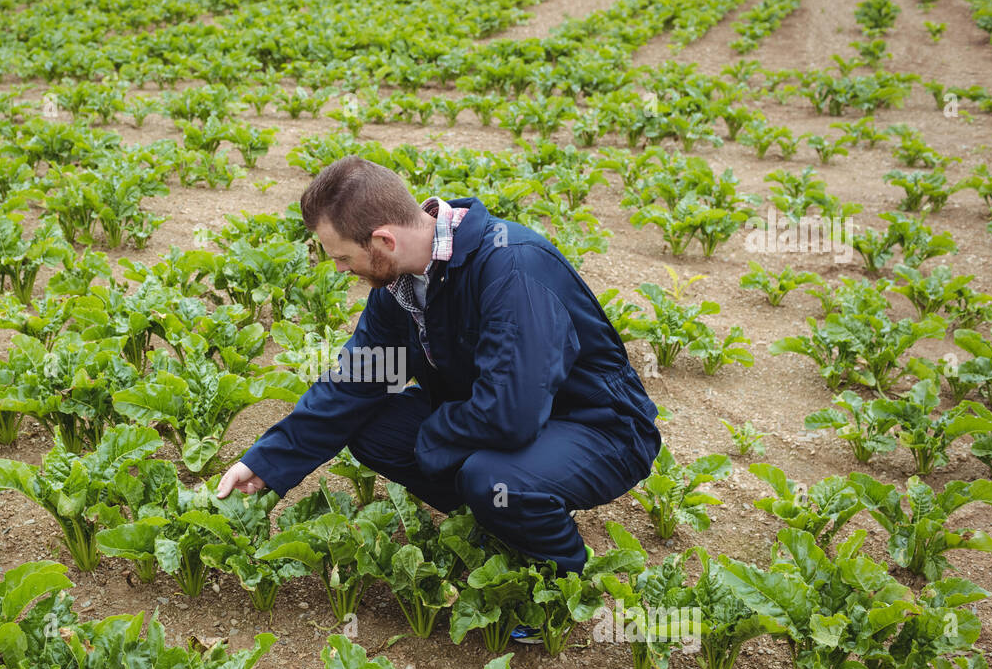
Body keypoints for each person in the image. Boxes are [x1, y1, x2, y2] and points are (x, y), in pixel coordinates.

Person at [216, 156, 662, 639]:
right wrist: (265, 460)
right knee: (371, 427)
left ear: (384, 241)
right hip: (509, 420)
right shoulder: (401, 288)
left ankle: (562, 580)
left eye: (344, 257)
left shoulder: (513, 266)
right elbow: (357, 381)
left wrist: (430, 441)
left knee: (488, 474)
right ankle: (506, 514)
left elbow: (511, 414)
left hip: (600, 429)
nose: (343, 270)